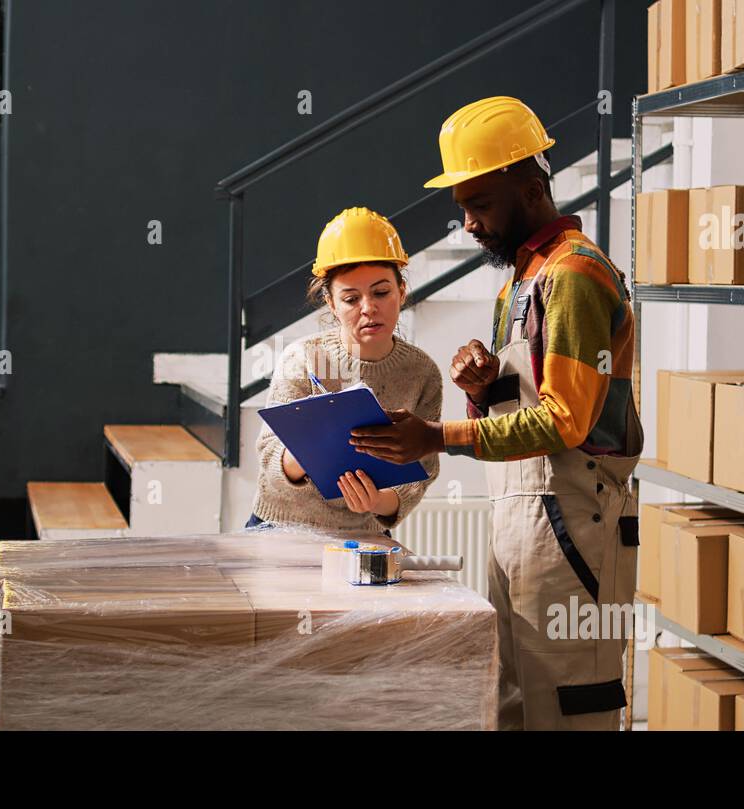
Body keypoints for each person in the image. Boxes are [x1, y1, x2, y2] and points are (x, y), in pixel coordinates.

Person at [349, 97, 643, 730]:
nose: (469, 225)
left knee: (571, 707)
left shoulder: (574, 276)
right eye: (463, 209)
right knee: (511, 700)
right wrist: (484, 388)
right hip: (525, 519)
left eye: (479, 205)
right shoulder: (522, 282)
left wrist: (437, 434)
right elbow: (534, 405)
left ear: (530, 188)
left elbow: (566, 421)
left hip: (576, 524)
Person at [248, 207, 442, 535]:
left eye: (381, 292)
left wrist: (376, 501)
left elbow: (421, 471)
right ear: (332, 304)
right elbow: (269, 459)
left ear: (402, 292)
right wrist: (310, 451)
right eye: (351, 299)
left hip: (365, 535)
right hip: (279, 528)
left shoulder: (422, 373)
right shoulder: (304, 359)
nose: (369, 308)